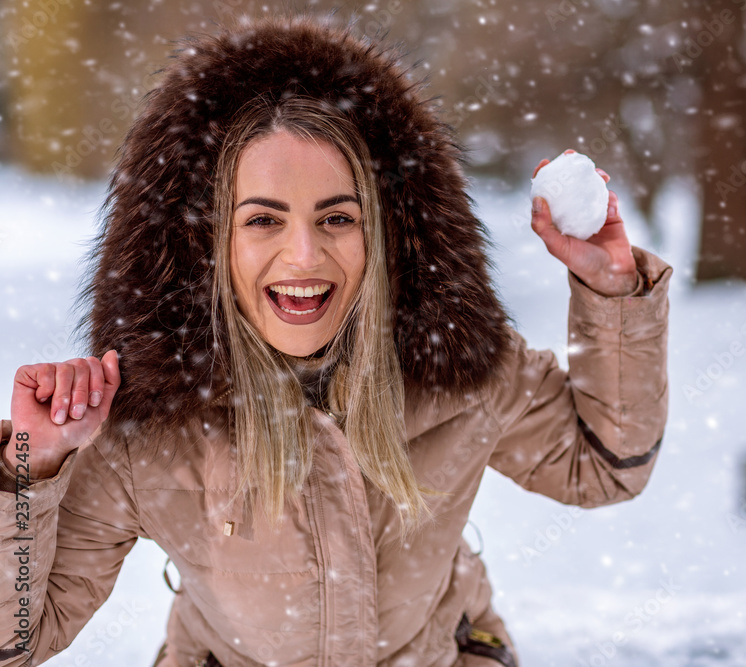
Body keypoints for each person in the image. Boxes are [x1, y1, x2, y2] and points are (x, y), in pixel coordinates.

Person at [0, 14, 671, 667]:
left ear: (382, 233)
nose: (304, 255)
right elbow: (16, 639)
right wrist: (29, 468)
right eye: (263, 219)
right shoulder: (147, 428)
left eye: (338, 217)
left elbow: (606, 465)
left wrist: (612, 291)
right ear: (207, 243)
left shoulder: (461, 373)